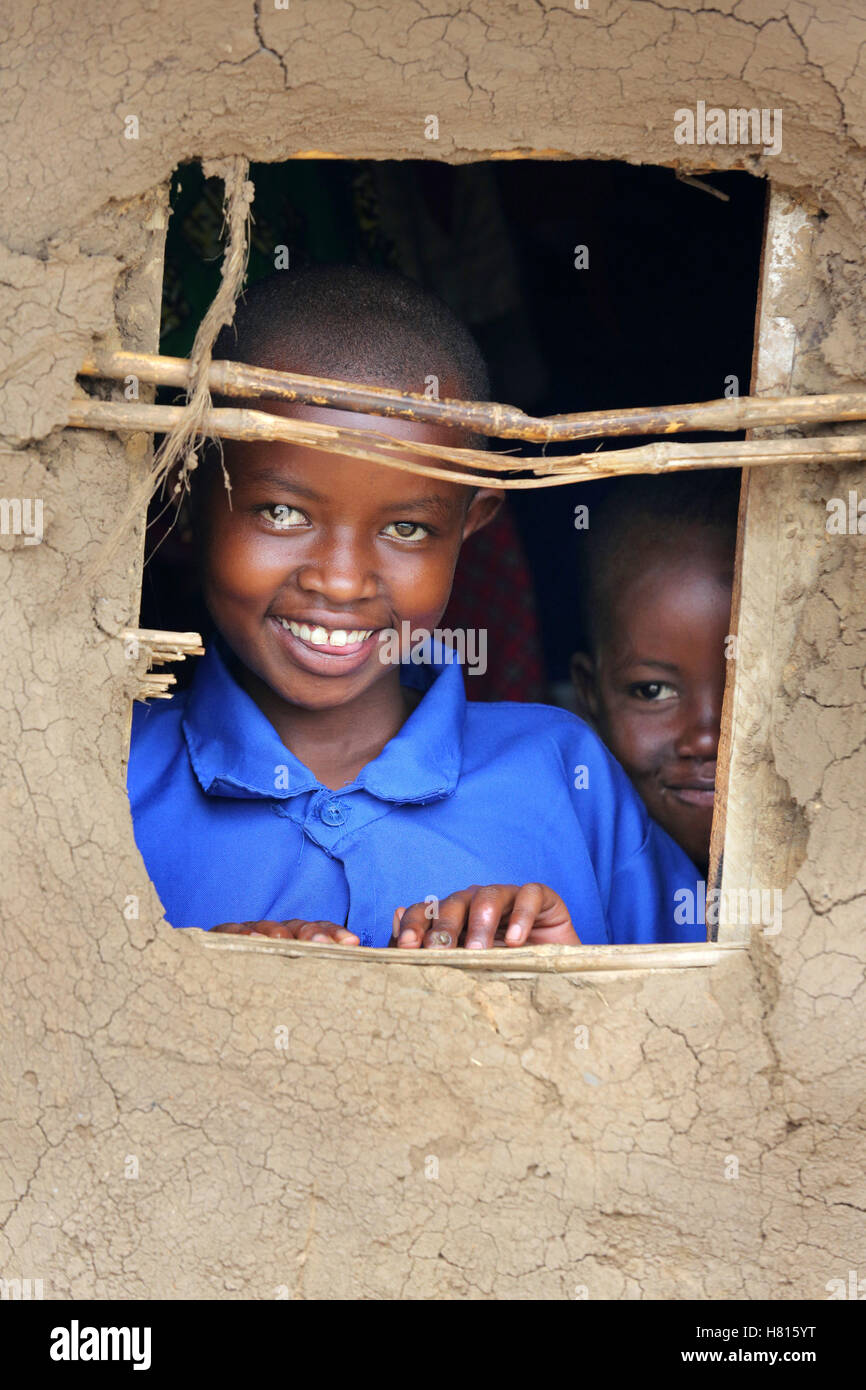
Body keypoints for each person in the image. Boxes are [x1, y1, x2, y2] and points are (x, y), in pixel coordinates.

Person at [127, 266, 702, 948]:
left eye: (406, 529)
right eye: (282, 513)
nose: (341, 583)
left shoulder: (561, 772)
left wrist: (561, 982)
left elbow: (714, 1030)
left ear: (470, 526)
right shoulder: (111, 773)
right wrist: (193, 981)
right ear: (186, 506)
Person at [570, 471, 739, 876]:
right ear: (591, 694)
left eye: (747, 686)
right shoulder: (565, 868)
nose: (707, 738)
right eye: (652, 691)